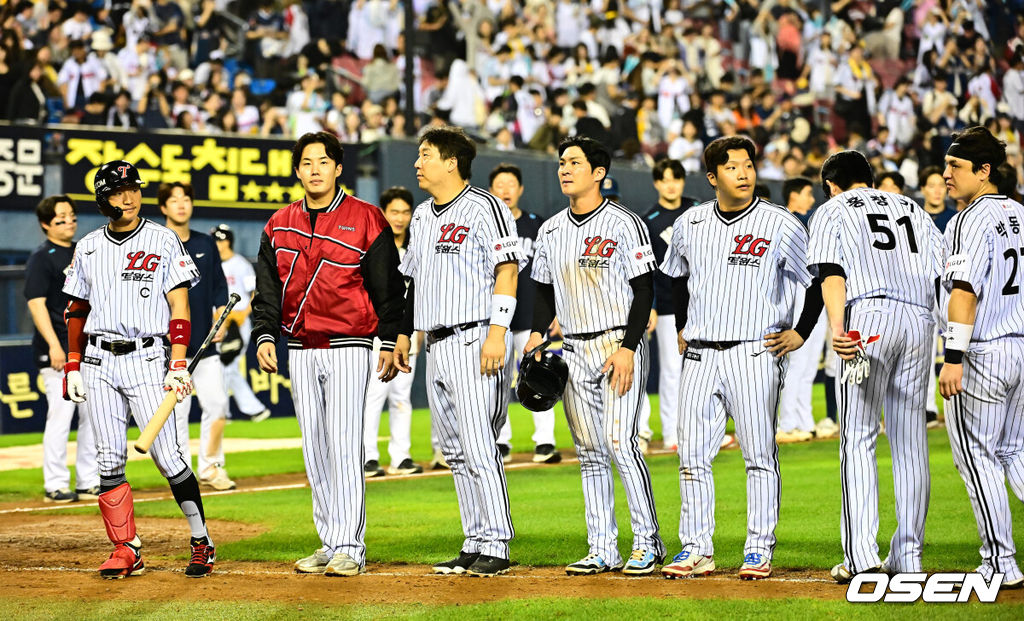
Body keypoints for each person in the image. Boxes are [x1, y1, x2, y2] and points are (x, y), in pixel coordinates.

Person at [660, 136, 820, 581]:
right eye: (733, 167)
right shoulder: (690, 223)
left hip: (755, 351)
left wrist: (801, 332)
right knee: (691, 456)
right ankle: (696, 548)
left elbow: (816, 279)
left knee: (758, 456)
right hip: (700, 355)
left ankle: (757, 548)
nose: (744, 173)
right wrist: (680, 328)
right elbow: (674, 277)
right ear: (712, 177)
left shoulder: (780, 222)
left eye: (748, 165)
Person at [252, 131, 406, 577]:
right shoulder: (279, 223)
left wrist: (392, 334)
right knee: (315, 450)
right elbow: (268, 289)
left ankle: (350, 546)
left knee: (342, 443)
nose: (315, 170)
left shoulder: (365, 216)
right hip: (299, 346)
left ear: (339, 168)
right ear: (297, 170)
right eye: (307, 163)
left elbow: (387, 286)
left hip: (348, 343)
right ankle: (329, 540)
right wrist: (264, 334)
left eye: (323, 162)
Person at [62, 160, 215, 578]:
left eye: (132, 188)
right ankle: (126, 548)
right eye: (117, 191)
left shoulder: (163, 239)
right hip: (97, 360)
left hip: (147, 357)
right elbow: (76, 309)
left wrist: (178, 361)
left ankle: (201, 540)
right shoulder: (89, 245)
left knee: (169, 456)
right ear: (102, 199)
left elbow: (179, 305)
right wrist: (72, 366)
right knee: (108, 460)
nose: (128, 197)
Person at [525, 136, 665, 577]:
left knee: (622, 444)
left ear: (599, 172)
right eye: (561, 162)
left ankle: (647, 542)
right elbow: (543, 289)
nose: (564, 169)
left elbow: (645, 288)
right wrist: (535, 332)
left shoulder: (625, 222)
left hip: (615, 344)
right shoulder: (550, 229)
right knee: (589, 452)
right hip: (574, 349)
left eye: (575, 162)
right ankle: (602, 547)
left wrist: (629, 345)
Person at [808, 151, 944, 584]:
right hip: (920, 322)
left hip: (868, 319)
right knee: (910, 443)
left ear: (832, 184)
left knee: (858, 437)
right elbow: (942, 277)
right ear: (868, 177)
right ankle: (909, 557)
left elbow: (831, 271)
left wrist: (837, 328)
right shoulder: (913, 209)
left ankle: (861, 557)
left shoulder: (832, 209)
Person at [394, 126, 523, 577]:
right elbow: (411, 281)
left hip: (475, 338)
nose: (417, 163)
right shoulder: (424, 216)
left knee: (478, 440)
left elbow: (507, 271)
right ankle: (475, 538)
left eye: (424, 154)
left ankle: (499, 541)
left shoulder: (486, 206)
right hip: (436, 342)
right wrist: (407, 334)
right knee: (454, 447)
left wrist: (497, 332)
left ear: (451, 161)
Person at [938, 126, 1024, 588]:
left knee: (978, 457)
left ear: (984, 171)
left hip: (985, 352)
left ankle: (1001, 563)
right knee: (1013, 452)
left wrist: (953, 357)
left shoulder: (968, 220)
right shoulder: (1020, 212)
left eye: (955, 167)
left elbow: (964, 293)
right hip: (1020, 349)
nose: (946, 174)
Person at [25, 195, 99, 503]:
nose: (69, 221)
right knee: (60, 415)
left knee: (91, 417)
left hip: (84, 349)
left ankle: (88, 480)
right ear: (45, 224)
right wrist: (55, 346)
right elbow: (36, 303)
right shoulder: (43, 257)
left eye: (71, 216)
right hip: (56, 349)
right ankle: (55, 483)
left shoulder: (84, 251)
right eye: (61, 218)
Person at [160, 182, 233, 491]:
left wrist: (222, 317)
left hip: (206, 346)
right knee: (177, 413)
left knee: (217, 407)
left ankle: (212, 467)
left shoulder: (206, 242)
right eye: (174, 200)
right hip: (171, 349)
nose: (181, 204)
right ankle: (181, 474)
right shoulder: (156, 243)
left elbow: (219, 287)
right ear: (163, 207)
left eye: (186, 199)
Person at [489, 163, 561, 465]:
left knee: (538, 378)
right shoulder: (486, 225)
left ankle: (545, 441)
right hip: (495, 320)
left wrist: (555, 311)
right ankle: (500, 441)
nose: (505, 189)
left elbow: (553, 271)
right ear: (491, 190)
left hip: (531, 319)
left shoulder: (536, 225)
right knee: (496, 382)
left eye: (511, 183)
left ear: (520, 189)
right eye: (499, 184)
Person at [362, 187, 424, 478]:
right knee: (374, 395)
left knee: (401, 397)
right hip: (378, 334)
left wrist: (415, 330)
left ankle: (401, 456)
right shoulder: (372, 245)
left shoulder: (415, 248)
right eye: (394, 211)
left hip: (407, 334)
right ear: (383, 213)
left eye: (405, 212)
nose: (399, 218)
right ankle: (368, 457)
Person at [641, 159, 697, 451]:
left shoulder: (699, 211)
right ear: (657, 183)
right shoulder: (649, 220)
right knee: (673, 370)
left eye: (676, 178)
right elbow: (647, 269)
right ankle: (674, 434)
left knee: (703, 372)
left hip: (703, 302)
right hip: (666, 305)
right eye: (665, 179)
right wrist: (649, 304)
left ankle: (700, 432)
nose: (671, 184)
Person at [776, 177, 826, 443]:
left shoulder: (808, 223)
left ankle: (805, 420)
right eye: (807, 193)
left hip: (815, 295)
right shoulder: (786, 222)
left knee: (808, 367)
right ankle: (787, 423)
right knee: (796, 364)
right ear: (794, 195)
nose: (811, 199)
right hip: (795, 295)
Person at [211, 224, 271, 423]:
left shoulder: (240, 264)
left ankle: (226, 412)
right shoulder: (212, 265)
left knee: (227, 365)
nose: (216, 244)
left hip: (238, 323)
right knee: (224, 366)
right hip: (219, 323)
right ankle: (253, 410)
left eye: (218, 240)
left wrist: (244, 313)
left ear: (227, 241)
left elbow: (255, 292)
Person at [918, 165, 958, 427]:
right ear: (922, 189)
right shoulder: (914, 218)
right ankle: (927, 408)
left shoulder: (955, 218)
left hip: (949, 291)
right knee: (922, 352)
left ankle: (955, 405)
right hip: (921, 290)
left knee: (954, 346)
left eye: (940, 184)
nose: (936, 190)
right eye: (931, 185)